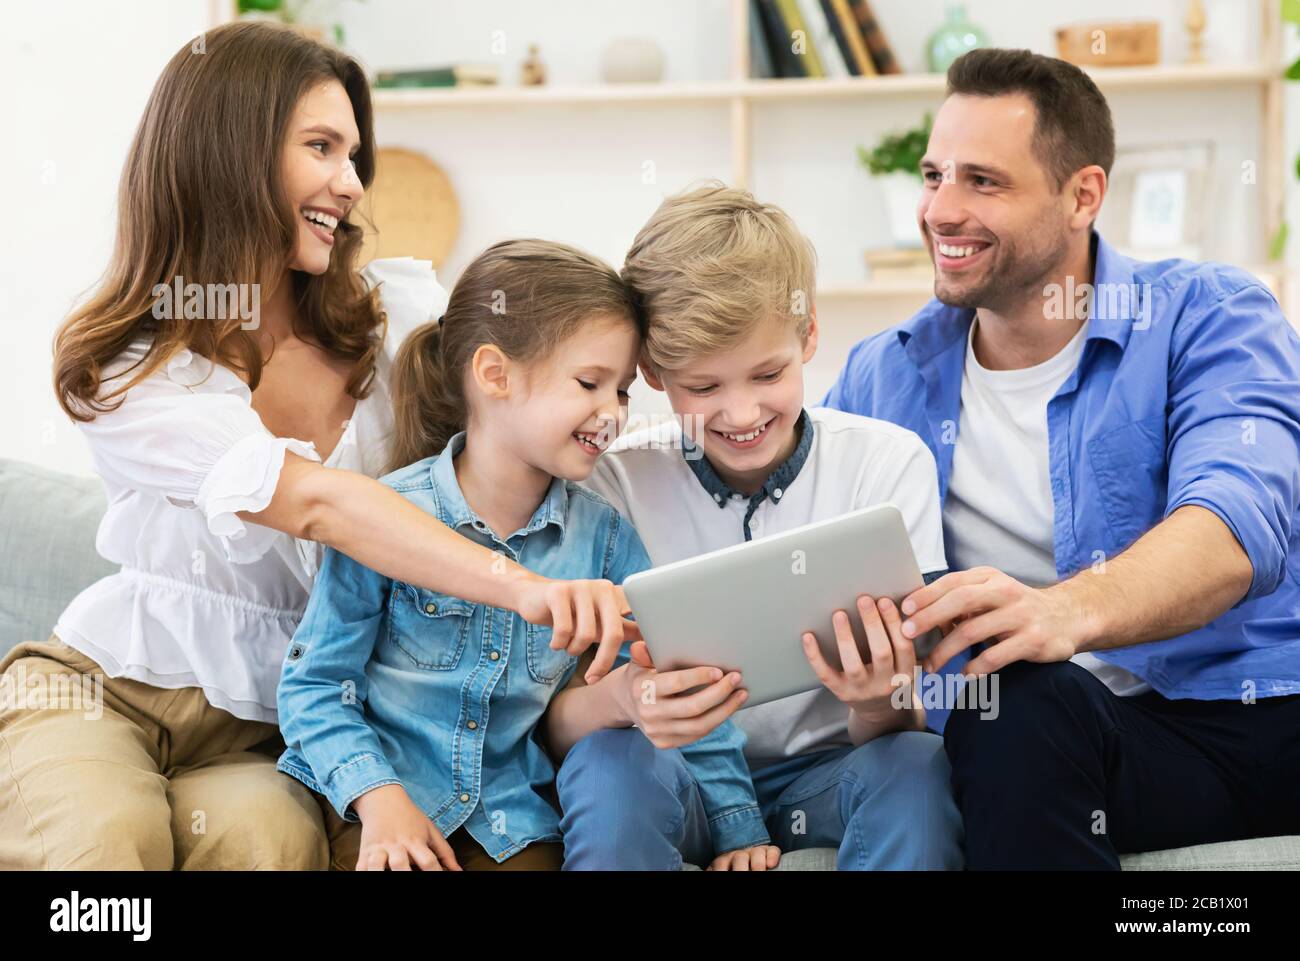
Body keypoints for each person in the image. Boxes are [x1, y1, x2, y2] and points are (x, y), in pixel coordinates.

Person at [0, 22, 628, 871]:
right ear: (232, 153)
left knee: (275, 841)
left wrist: (687, 396)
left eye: (354, 154)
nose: (352, 182)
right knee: (105, 848)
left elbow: (531, 382)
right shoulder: (134, 368)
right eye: (322, 148)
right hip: (107, 688)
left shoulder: (395, 318)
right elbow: (318, 504)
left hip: (269, 728)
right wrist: (521, 587)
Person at [823, 48, 1300, 869]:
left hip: (1241, 718)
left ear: (1083, 194)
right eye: (934, 176)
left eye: (984, 181)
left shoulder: (1209, 315)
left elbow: (1235, 526)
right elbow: (814, 553)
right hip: (1043, 736)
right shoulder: (884, 371)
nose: (941, 208)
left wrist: (1064, 611)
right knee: (1011, 696)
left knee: (1020, 685)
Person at [278, 240, 760, 871]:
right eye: (590, 383)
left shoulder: (606, 540)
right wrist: (378, 799)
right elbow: (315, 686)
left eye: (622, 393)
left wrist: (738, 828)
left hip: (516, 826)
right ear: (494, 374)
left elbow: (681, 676)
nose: (612, 414)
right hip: (375, 810)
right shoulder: (387, 519)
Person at [558, 184, 964, 871]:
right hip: (678, 776)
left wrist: (875, 701)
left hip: (835, 771)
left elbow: (904, 720)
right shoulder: (611, 481)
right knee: (607, 759)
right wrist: (624, 699)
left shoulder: (887, 464)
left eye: (768, 373)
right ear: (654, 372)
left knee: (918, 766)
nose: (741, 413)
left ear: (809, 337)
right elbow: (554, 722)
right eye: (704, 387)